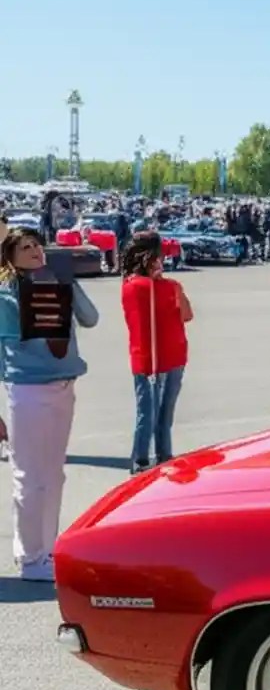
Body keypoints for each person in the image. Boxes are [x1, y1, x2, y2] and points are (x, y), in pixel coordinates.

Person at [0, 227, 99, 582]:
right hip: (27, 390)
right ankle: (30, 557)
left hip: (62, 386)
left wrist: (68, 282)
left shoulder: (57, 285)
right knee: (29, 476)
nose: (35, 251)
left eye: (38, 245)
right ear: (9, 258)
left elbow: (91, 318)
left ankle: (47, 547)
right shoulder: (5, 296)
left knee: (54, 474)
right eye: (25, 247)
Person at [120, 232, 192, 475]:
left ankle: (143, 460)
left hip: (149, 359)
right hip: (167, 357)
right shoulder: (164, 287)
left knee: (149, 414)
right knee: (161, 416)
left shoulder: (130, 285)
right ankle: (157, 457)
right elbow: (187, 314)